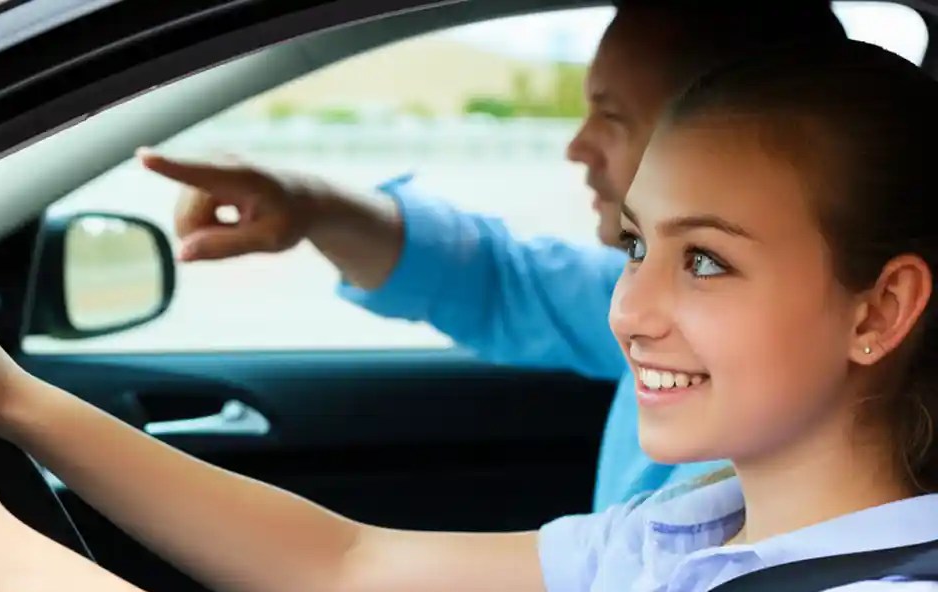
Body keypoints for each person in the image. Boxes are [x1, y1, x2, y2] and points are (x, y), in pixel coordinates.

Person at [0, 38, 938, 592]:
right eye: (636, 245)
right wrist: (17, 402)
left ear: (876, 308)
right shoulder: (690, 530)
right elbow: (339, 566)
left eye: (703, 261)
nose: (628, 308)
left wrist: (12, 569)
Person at [137, 0, 848, 512]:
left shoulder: (818, 565)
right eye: (636, 254)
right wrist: (313, 205)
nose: (576, 146)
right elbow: (499, 279)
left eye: (612, 114)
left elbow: (345, 573)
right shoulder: (635, 547)